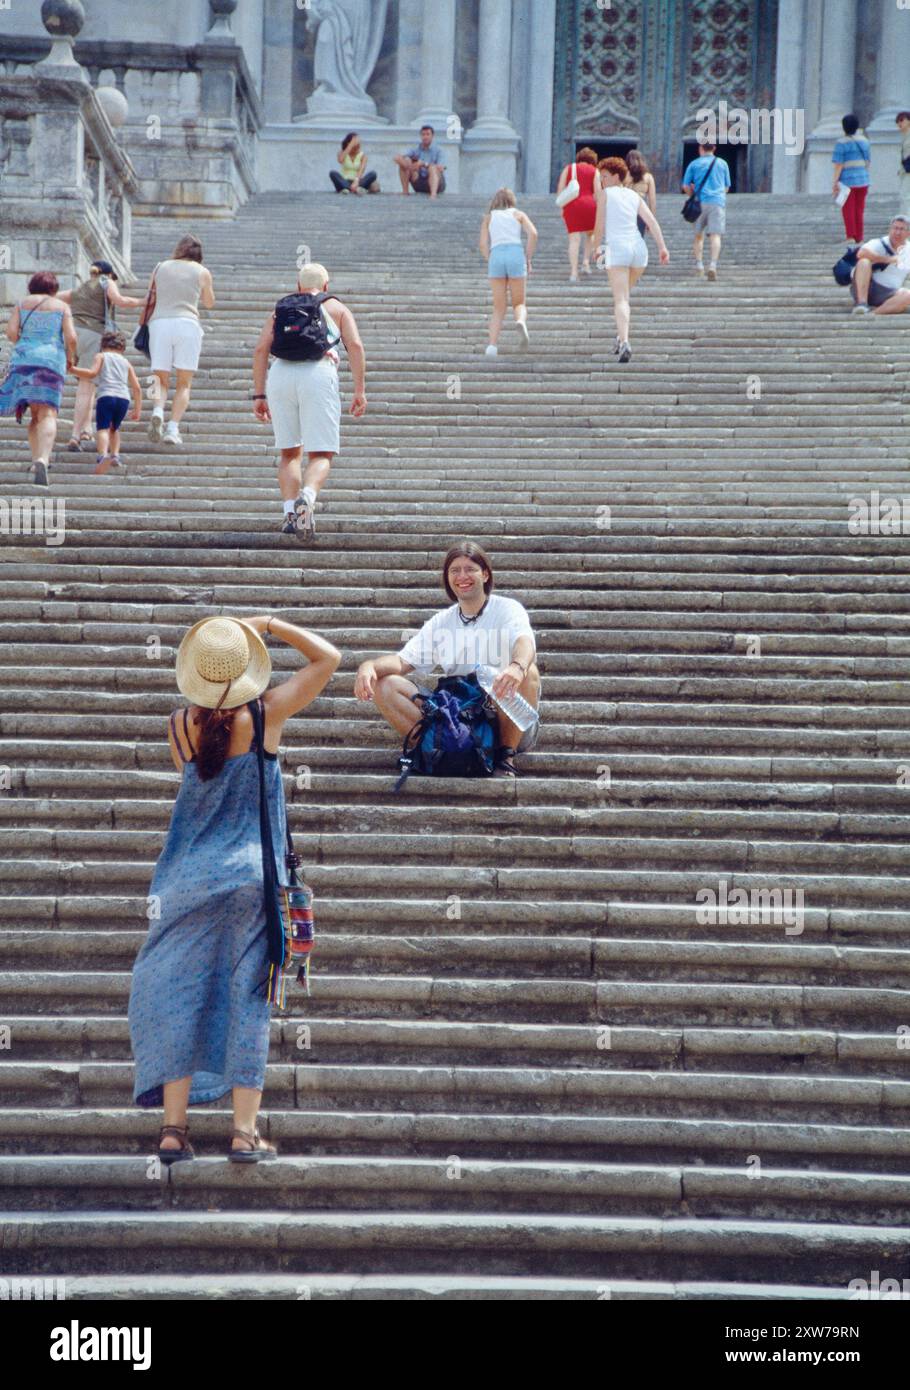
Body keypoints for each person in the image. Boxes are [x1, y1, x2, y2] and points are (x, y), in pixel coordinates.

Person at [128, 612, 341, 1163]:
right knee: (248, 1000)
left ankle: (174, 1130)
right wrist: (269, 623)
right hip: (251, 878)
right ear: (246, 668)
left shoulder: (179, 724)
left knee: (178, 994)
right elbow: (329, 659)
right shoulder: (265, 714)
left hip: (183, 880)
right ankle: (244, 1134)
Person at [354, 540, 541, 778]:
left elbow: (524, 643)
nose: (462, 576)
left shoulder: (507, 609)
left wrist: (517, 666)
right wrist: (368, 666)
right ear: (447, 578)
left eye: (470, 569)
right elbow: (402, 662)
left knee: (529, 671)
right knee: (385, 684)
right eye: (455, 570)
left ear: (485, 574)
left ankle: (505, 757)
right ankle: (439, 750)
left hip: (503, 716)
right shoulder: (441, 621)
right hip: (461, 716)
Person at [252, 261, 367, 542]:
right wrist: (359, 390)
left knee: (290, 453)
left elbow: (260, 349)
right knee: (321, 453)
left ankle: (291, 513)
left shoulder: (280, 310)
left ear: (298, 285)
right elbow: (355, 346)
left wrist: (258, 394)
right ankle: (308, 495)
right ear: (326, 286)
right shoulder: (336, 307)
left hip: (281, 375)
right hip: (318, 373)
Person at [57, 260, 145, 452]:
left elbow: (56, 297)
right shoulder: (107, 282)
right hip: (93, 335)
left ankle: (86, 429)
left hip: (72, 335)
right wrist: (143, 301)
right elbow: (120, 300)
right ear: (110, 274)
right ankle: (74, 434)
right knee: (86, 389)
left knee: (90, 385)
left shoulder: (82, 287)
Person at [0, 271, 77, 488]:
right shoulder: (62, 306)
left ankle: (36, 461)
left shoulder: (21, 303)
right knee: (48, 412)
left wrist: (27, 340)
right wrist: (71, 357)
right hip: (51, 360)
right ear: (54, 288)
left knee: (34, 414)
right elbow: (71, 337)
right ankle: (43, 458)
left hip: (24, 360)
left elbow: (11, 333)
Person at [594, 156, 670, 364]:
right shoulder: (634, 195)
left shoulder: (605, 195)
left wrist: (596, 248)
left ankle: (625, 342)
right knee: (625, 297)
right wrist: (662, 247)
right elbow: (651, 221)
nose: (602, 181)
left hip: (617, 249)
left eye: (605, 177)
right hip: (638, 251)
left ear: (616, 176)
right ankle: (620, 337)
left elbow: (599, 226)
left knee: (620, 299)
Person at [145, 234, 215, 446]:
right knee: (184, 383)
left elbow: (151, 294)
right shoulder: (202, 271)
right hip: (187, 323)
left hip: (160, 323)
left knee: (160, 378)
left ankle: (158, 410)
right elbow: (209, 302)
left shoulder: (160, 267)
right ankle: (172, 428)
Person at [70, 330, 143, 474]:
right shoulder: (126, 362)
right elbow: (137, 387)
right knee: (114, 428)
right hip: (123, 398)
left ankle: (103, 455)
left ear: (102, 345)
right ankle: (115, 455)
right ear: (122, 348)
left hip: (106, 396)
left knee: (103, 428)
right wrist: (137, 410)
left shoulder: (101, 356)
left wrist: (73, 369)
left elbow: (92, 374)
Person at [479, 189, 538, 357]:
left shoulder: (488, 218)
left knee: (498, 307)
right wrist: (528, 257)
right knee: (519, 302)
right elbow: (533, 233)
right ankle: (520, 321)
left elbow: (483, 244)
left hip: (496, 254)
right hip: (515, 254)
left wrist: (490, 258)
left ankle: (492, 346)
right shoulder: (518, 214)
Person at [681, 142, 731, 280]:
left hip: (699, 203)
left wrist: (693, 196)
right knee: (716, 235)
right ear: (714, 148)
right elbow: (726, 187)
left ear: (700, 148)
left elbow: (685, 186)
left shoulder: (694, 164)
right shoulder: (722, 164)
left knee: (698, 235)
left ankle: (699, 265)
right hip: (717, 203)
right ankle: (713, 265)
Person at [849, 215, 910, 316]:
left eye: (902, 229)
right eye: (895, 228)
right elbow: (861, 253)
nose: (897, 232)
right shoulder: (879, 243)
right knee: (864, 262)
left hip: (890, 293)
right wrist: (887, 259)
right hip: (867, 287)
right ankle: (862, 304)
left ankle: (872, 314)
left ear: (908, 233)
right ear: (890, 229)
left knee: (908, 295)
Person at [556, 146, 599, 282]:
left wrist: (562, 208)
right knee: (590, 234)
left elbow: (560, 189)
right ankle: (585, 262)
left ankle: (573, 273)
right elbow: (597, 192)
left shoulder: (568, 168)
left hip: (572, 206)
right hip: (590, 205)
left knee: (574, 240)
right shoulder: (595, 171)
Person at [832, 114, 871, 249]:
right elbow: (868, 161)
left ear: (844, 127)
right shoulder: (865, 141)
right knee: (859, 209)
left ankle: (850, 237)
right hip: (863, 179)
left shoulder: (841, 143)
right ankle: (859, 237)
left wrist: (835, 182)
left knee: (848, 209)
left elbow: (838, 165)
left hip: (847, 180)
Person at [394, 125, 446, 198]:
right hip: (420, 182)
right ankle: (405, 192)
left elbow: (441, 168)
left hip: (437, 185)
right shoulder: (416, 149)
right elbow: (398, 157)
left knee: (432, 168)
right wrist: (410, 165)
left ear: (432, 136)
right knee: (406, 161)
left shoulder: (439, 150)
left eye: (428, 134)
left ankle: (433, 195)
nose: (425, 137)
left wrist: (423, 164)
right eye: (423, 134)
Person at [624, 149, 657, 237]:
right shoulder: (648, 177)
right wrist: (651, 219)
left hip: (626, 207)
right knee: (639, 237)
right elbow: (652, 200)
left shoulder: (624, 175)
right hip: (641, 207)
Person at [896, 112, 910, 218]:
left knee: (906, 197)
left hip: (908, 171)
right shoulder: (905, 136)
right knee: (904, 196)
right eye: (898, 121)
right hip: (905, 171)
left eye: (902, 120)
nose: (899, 123)